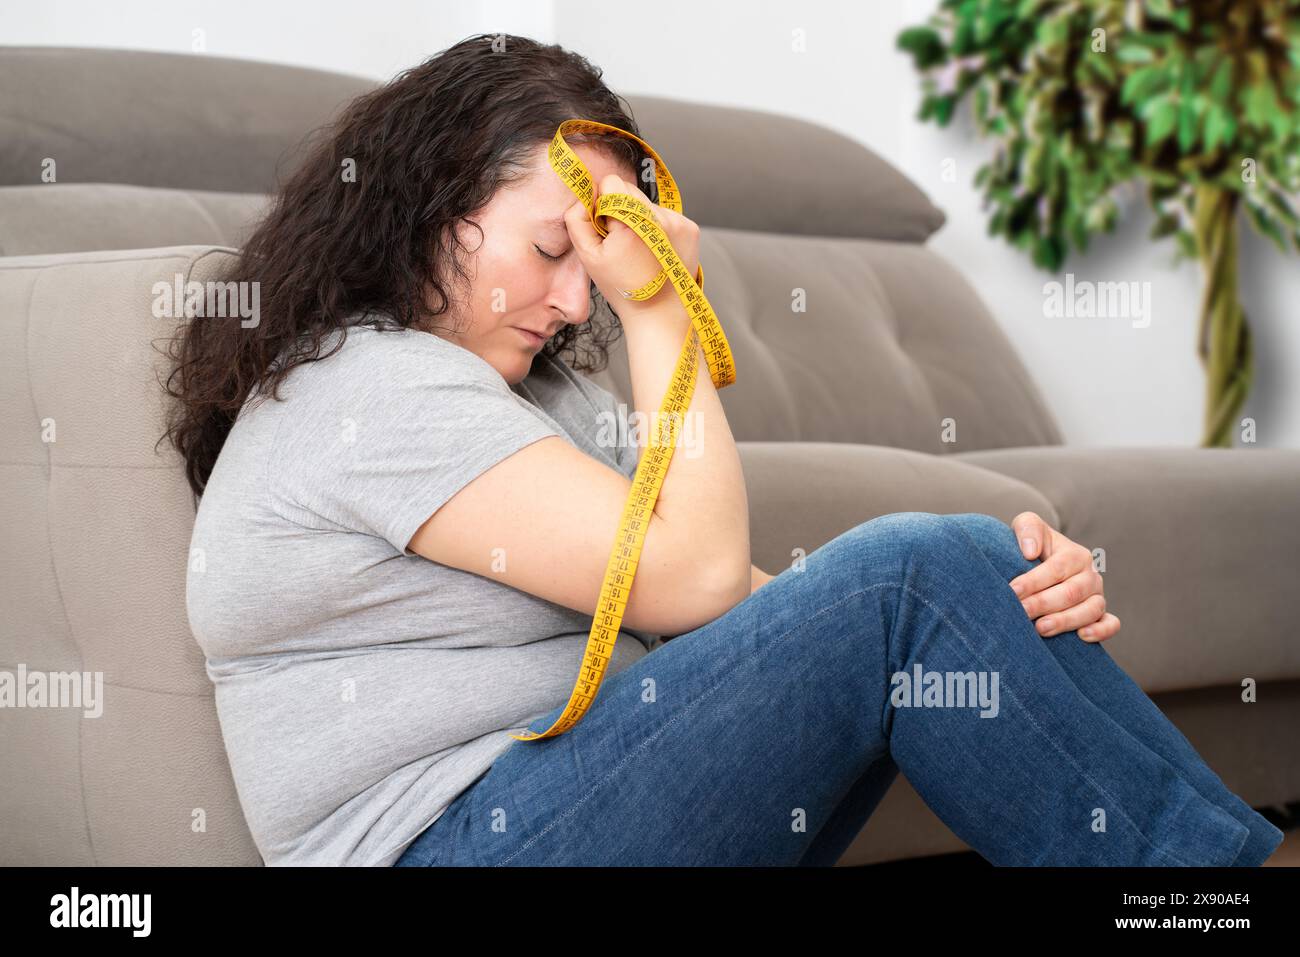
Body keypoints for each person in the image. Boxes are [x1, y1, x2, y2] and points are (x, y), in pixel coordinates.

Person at [165, 33, 1283, 867]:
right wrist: (662, 310)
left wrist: (1006, 601)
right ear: (429, 206)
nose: (571, 301)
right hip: (452, 844)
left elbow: (744, 616)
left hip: (544, 805)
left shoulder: (536, 396)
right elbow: (695, 580)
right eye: (557, 246)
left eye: (591, 265)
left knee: (945, 571)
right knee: (914, 572)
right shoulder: (364, 384)